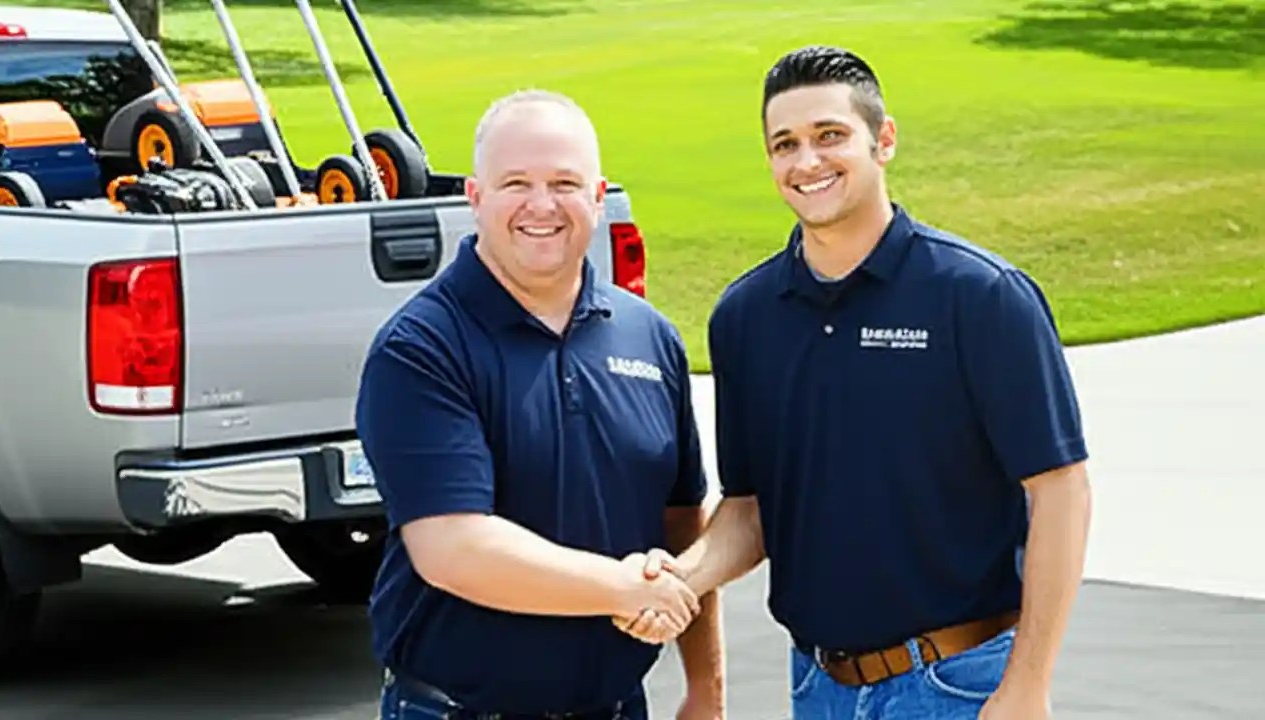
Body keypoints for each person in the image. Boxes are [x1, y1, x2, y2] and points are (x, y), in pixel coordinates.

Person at [617, 45, 1092, 719]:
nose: (806, 162)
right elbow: (751, 510)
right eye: (785, 144)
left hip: (961, 686)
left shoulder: (980, 297)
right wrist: (680, 579)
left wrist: (1027, 685)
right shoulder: (745, 318)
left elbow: (1061, 490)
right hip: (816, 687)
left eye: (829, 136)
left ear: (884, 140)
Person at [353, 89, 724, 720]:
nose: (542, 205)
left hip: (616, 707)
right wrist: (626, 589)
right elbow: (454, 550)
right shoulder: (422, 348)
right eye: (516, 183)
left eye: (565, 183)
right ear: (475, 198)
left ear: (599, 198)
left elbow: (682, 523)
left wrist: (705, 692)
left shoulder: (649, 336)